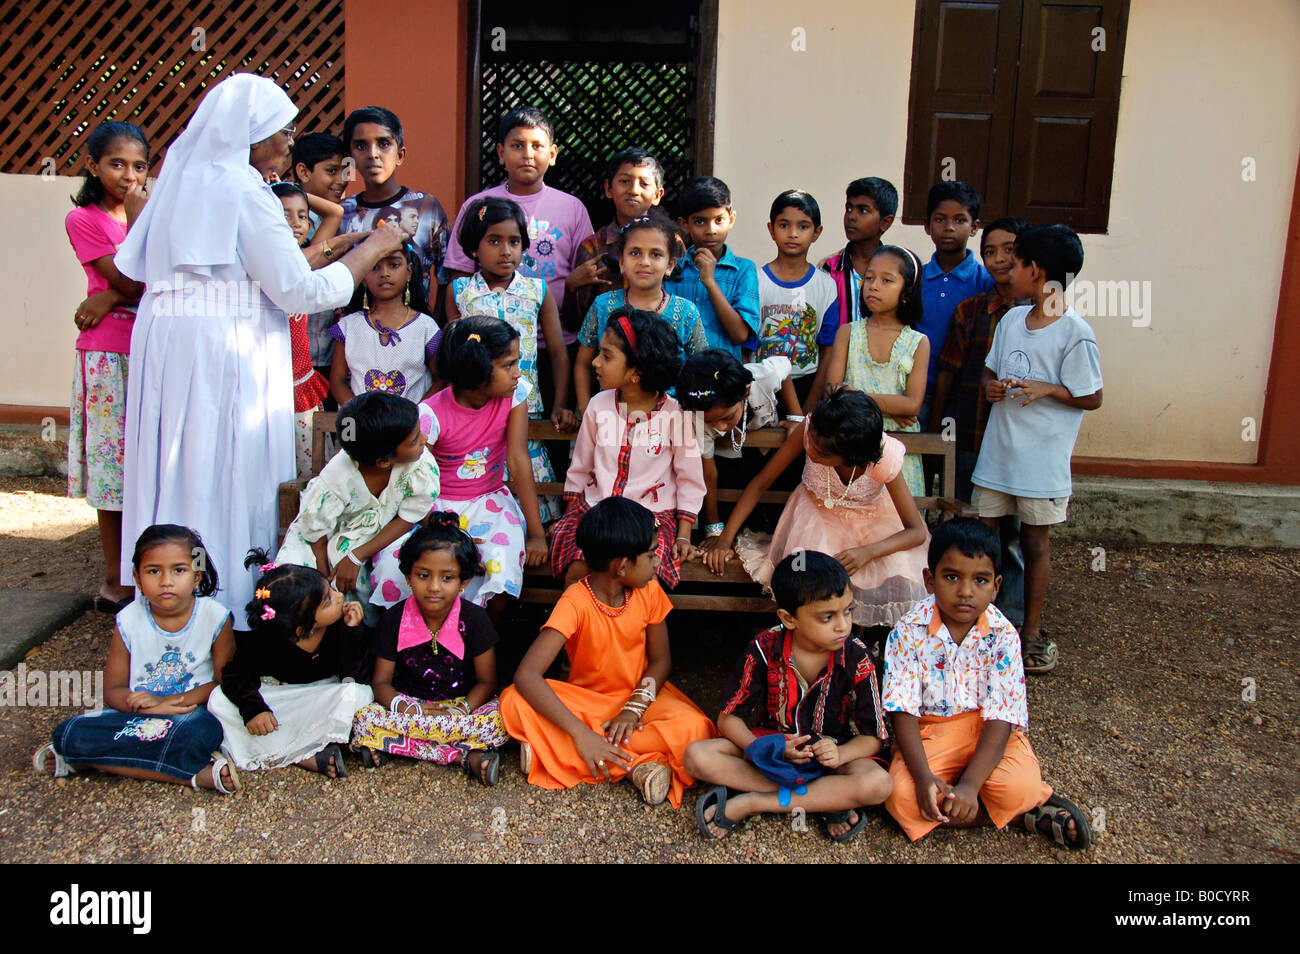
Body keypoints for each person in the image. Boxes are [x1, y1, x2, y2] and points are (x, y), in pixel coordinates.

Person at [115, 73, 407, 625]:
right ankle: (232, 603)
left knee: (179, 464)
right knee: (226, 462)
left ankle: (170, 596)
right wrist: (375, 247)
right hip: (225, 350)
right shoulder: (246, 190)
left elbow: (244, 273)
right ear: (253, 136)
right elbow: (299, 291)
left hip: (173, 344)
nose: (288, 145)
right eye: (283, 133)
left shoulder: (180, 182)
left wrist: (324, 252)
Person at [882, 518, 1091, 849]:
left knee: (1018, 786)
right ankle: (1020, 817)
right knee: (902, 797)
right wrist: (923, 778)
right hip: (931, 733)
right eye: (952, 577)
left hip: (989, 733)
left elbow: (1002, 718)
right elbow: (902, 712)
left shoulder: (1004, 635)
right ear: (929, 579)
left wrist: (969, 786)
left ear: (996, 586)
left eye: (980, 580)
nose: (965, 591)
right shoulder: (907, 632)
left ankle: (994, 805)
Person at [500, 498, 715, 807]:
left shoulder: (650, 591)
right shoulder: (575, 601)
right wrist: (580, 732)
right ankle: (634, 765)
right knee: (513, 700)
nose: (658, 563)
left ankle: (561, 752)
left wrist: (633, 709)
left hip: (640, 701)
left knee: (694, 728)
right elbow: (527, 675)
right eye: (651, 554)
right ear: (622, 566)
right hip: (587, 707)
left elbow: (660, 661)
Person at [685, 550, 892, 841]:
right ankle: (825, 799)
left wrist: (840, 754)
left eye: (848, 611)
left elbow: (874, 736)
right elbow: (729, 719)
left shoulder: (857, 656)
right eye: (827, 617)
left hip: (831, 756)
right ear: (788, 618)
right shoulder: (764, 646)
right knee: (697, 756)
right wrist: (768, 748)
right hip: (773, 749)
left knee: (879, 783)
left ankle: (752, 801)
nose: (843, 625)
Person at [972, 225, 1102, 673]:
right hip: (998, 455)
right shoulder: (1011, 320)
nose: (1008, 267)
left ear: (1038, 270)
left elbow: (1093, 396)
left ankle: (1030, 635)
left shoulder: (1074, 333)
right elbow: (990, 373)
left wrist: (1049, 388)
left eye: (1017, 260)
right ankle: (977, 626)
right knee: (983, 540)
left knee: (1034, 544)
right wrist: (990, 388)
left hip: (1041, 466)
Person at [34, 525, 238, 794]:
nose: (166, 581)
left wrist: (166, 704)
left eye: (179, 570)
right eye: (154, 571)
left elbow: (224, 683)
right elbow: (114, 690)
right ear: (137, 579)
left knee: (200, 733)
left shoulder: (215, 617)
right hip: (135, 718)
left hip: (186, 715)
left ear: (197, 576)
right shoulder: (128, 620)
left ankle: (89, 761)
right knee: (69, 732)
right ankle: (191, 773)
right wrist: (148, 710)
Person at [703, 388, 929, 629]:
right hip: (816, 518)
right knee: (814, 570)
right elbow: (760, 484)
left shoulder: (882, 457)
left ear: (851, 456)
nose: (811, 450)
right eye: (812, 443)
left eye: (821, 453)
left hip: (873, 525)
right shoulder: (814, 428)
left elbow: (916, 531)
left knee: (892, 566)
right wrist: (725, 539)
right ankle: (812, 636)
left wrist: (868, 552)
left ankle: (856, 640)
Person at [442, 106, 595, 411]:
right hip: (487, 355)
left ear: (552, 154)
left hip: (555, 344)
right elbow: (460, 280)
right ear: (501, 153)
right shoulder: (478, 205)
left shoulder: (572, 207)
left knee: (544, 429)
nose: (527, 154)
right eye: (517, 146)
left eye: (537, 146)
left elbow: (587, 276)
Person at [550, 309, 705, 590]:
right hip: (597, 511)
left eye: (607, 356)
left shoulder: (676, 415)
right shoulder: (598, 405)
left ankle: (633, 633)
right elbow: (581, 467)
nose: (595, 362)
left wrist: (683, 536)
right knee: (579, 570)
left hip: (651, 519)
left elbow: (690, 480)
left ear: (637, 373)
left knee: (644, 579)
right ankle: (582, 631)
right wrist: (570, 516)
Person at [445, 195, 576, 524]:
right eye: (494, 241)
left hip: (526, 406)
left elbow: (558, 352)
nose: (506, 251)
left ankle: (532, 541)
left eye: (514, 242)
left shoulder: (537, 290)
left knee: (529, 483)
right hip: (476, 411)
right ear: (474, 248)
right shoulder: (460, 291)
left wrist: (560, 402)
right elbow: (453, 356)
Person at [408, 317, 549, 617]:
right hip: (435, 509)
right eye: (509, 364)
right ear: (479, 369)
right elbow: (414, 482)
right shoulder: (431, 414)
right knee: (408, 569)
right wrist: (438, 524)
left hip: (490, 502)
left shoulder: (515, 396)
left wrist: (536, 533)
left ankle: (475, 640)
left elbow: (518, 460)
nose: (517, 373)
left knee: (502, 568)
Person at [351, 515, 508, 785]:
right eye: (423, 576)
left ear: (464, 582)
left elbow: (487, 681)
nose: (434, 587)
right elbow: (380, 682)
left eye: (447, 578)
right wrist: (410, 710)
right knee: (365, 719)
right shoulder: (394, 619)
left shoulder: (475, 620)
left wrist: (461, 711)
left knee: (499, 720)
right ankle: (462, 756)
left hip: (460, 710)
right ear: (408, 577)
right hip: (410, 709)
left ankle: (396, 746)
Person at [64, 121, 150, 614]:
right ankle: (115, 581)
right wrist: (119, 294)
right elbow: (134, 280)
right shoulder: (86, 220)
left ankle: (150, 572)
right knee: (112, 472)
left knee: (145, 465)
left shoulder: (148, 214)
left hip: (149, 348)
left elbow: (162, 275)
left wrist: (108, 297)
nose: (128, 175)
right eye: (116, 164)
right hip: (106, 357)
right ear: (94, 166)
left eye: (139, 166)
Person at [931, 217, 1030, 625]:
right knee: (971, 526)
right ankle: (967, 612)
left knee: (1016, 536)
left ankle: (1013, 618)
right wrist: (936, 430)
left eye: (1009, 250)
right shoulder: (971, 311)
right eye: (990, 251)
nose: (999, 259)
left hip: (1022, 445)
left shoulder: (1038, 318)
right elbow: (949, 373)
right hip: (971, 434)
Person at [207, 550, 373, 778]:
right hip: (280, 702)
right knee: (219, 701)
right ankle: (305, 753)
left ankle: (294, 751)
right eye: (327, 601)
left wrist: (353, 633)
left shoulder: (340, 628)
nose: (339, 597)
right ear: (302, 629)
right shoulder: (265, 641)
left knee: (359, 693)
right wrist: (255, 710)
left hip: (320, 696)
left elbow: (354, 677)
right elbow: (235, 675)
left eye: (331, 590)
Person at [276, 392, 438, 612]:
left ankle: (364, 631)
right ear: (383, 461)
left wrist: (356, 556)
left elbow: (408, 518)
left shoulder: (418, 464)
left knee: (389, 572)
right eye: (414, 440)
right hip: (320, 540)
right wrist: (326, 584)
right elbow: (316, 535)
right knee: (298, 588)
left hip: (375, 535)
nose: (425, 440)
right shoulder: (336, 480)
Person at [575, 211, 707, 412]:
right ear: (621, 261)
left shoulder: (686, 312)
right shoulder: (603, 305)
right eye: (635, 253)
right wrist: (586, 411)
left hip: (667, 423)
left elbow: (702, 368)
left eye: (655, 254)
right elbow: (583, 364)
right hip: (610, 419)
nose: (644, 261)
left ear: (670, 264)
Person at [824, 244, 929, 496]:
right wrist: (891, 405)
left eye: (887, 280)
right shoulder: (848, 333)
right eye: (869, 277)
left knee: (895, 521)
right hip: (850, 447)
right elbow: (832, 391)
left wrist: (855, 397)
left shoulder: (918, 342)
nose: (873, 285)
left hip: (898, 450)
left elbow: (912, 405)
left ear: (907, 293)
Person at [676, 349, 795, 537]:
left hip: (769, 441)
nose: (720, 427)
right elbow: (708, 475)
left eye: (727, 416)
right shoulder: (697, 418)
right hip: (732, 458)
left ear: (746, 391)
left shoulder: (764, 376)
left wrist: (795, 416)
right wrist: (714, 530)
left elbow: (785, 368)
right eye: (710, 421)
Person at [338, 106, 450, 304]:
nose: (373, 154)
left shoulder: (426, 208)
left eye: (383, 144)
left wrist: (438, 327)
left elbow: (446, 278)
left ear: (400, 155)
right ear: (351, 158)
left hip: (416, 327)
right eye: (361, 146)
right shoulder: (343, 212)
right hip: (354, 329)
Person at [567, 147, 684, 325]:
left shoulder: (672, 242)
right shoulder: (594, 246)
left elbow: (681, 303)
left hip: (660, 343)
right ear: (608, 188)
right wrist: (571, 287)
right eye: (624, 181)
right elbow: (576, 322)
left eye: (644, 184)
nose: (633, 190)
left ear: (657, 195)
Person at [291, 133, 366, 397]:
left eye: (345, 171)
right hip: (296, 355)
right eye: (332, 171)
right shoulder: (289, 223)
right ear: (303, 171)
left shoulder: (345, 219)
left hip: (331, 353)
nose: (342, 180)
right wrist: (291, 193)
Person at [753, 189, 839, 410]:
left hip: (807, 384)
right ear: (771, 230)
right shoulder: (755, 281)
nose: (793, 233)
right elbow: (747, 345)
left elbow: (827, 349)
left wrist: (811, 403)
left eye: (803, 226)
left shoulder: (826, 285)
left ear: (817, 232)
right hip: (763, 384)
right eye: (784, 225)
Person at [272, 181, 336, 477]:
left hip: (301, 385)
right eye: (285, 214)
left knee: (310, 474)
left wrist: (283, 188)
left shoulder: (306, 261)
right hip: (267, 391)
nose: (296, 223)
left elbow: (334, 212)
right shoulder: (260, 267)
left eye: (302, 215)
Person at [329, 241, 442, 404]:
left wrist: (415, 415)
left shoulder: (426, 328)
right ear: (363, 277)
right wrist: (360, 414)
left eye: (394, 265)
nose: (384, 273)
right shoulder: (348, 327)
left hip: (412, 425)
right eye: (374, 267)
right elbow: (337, 382)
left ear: (409, 271)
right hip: (363, 424)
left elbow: (440, 380)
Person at [917, 181, 995, 411]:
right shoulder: (915, 279)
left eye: (959, 220)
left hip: (965, 393)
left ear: (974, 227)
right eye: (940, 219)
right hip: (916, 389)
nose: (949, 227)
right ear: (927, 226)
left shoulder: (985, 282)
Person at [665, 176, 759, 359]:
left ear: (731, 219)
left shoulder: (743, 270)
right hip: (677, 378)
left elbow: (740, 335)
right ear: (685, 224)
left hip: (722, 377)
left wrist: (710, 282)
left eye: (719, 220)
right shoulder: (672, 269)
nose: (711, 230)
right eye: (700, 221)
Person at [819, 176, 898, 328]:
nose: (851, 217)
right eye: (849, 208)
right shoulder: (829, 269)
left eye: (863, 210)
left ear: (885, 222)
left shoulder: (895, 271)